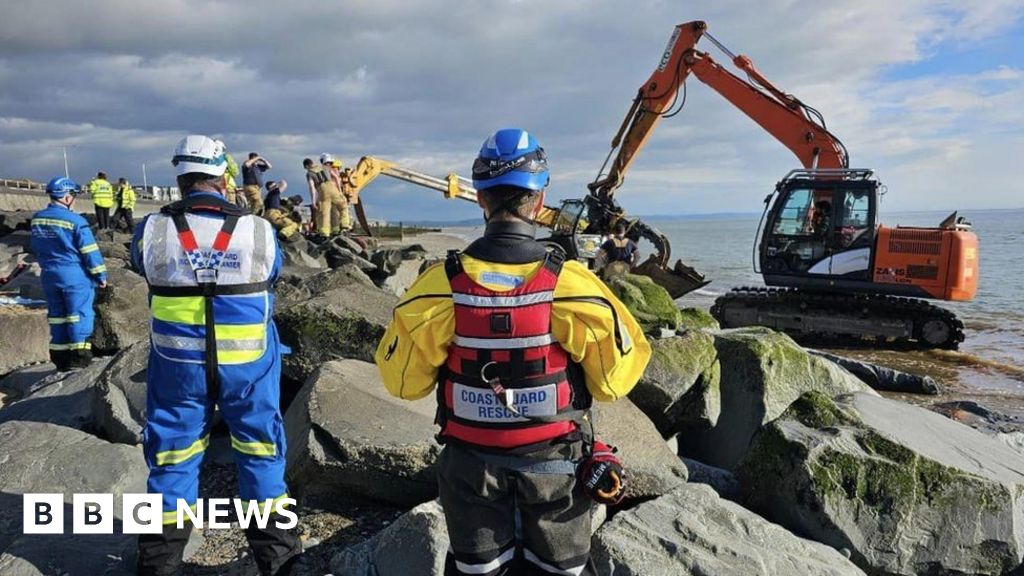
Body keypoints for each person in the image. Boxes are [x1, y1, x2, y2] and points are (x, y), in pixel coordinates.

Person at [375, 128, 651, 576]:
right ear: (538, 201)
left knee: (477, 570)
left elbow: (402, 383)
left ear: (481, 200)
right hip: (556, 473)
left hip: (470, 472)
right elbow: (614, 381)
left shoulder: (437, 286)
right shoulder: (576, 286)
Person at [132, 135, 302, 576]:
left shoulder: (151, 230)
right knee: (261, 452)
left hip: (177, 368)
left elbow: (142, 265)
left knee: (171, 458)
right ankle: (279, 562)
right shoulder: (259, 230)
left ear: (181, 177)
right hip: (249, 368)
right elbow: (274, 271)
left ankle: (159, 566)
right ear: (224, 177)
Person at [30, 177, 108, 371]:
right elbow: (89, 251)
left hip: (49, 274)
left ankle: (60, 358)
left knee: (57, 315)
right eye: (73, 196)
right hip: (74, 275)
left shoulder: (38, 218)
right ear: (66, 197)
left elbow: (36, 247)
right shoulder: (76, 221)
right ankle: (79, 359)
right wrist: (100, 275)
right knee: (78, 315)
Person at [304, 156, 346, 239]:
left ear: (306, 166)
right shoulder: (324, 167)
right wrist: (340, 191)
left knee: (323, 213)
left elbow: (312, 188)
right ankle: (342, 227)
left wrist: (313, 201)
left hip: (322, 191)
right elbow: (336, 178)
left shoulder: (309, 173)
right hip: (333, 188)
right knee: (342, 206)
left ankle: (324, 234)